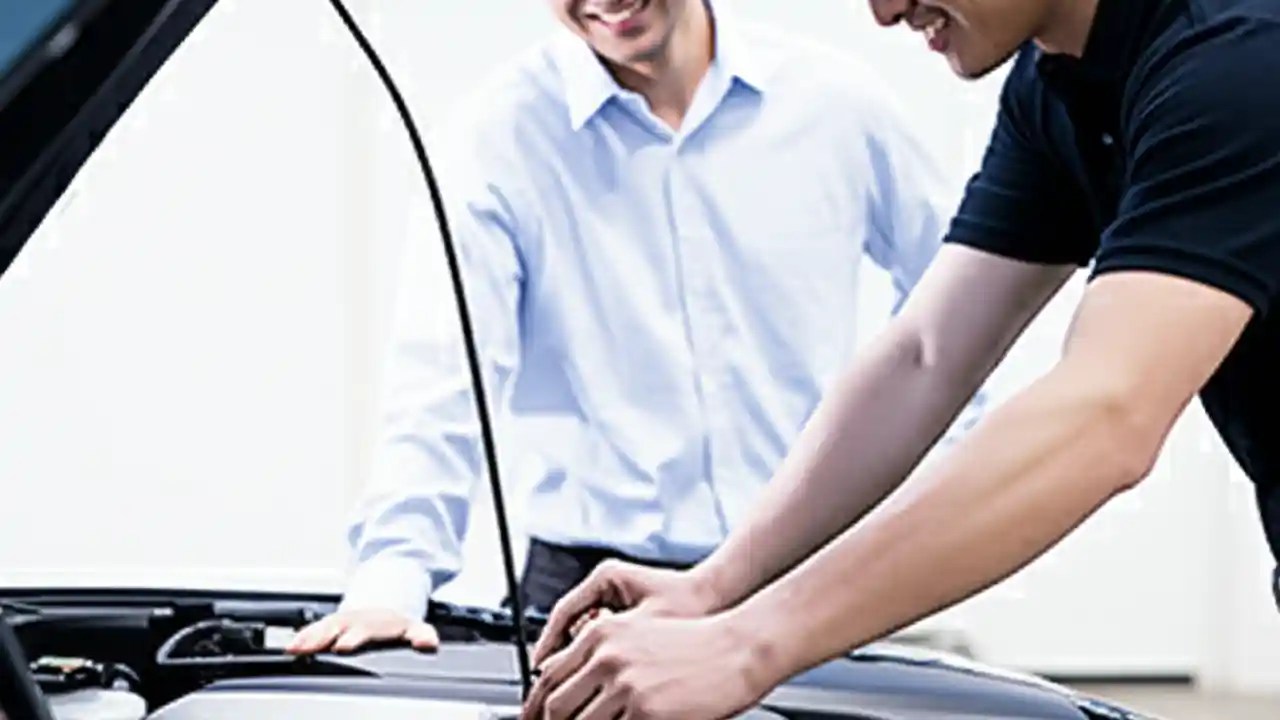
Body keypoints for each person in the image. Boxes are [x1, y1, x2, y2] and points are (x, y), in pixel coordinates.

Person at [520, 0, 1280, 717]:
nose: (883, 10)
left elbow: (1105, 415)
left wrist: (751, 646)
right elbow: (926, 355)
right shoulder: (1055, 84)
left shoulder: (1240, 61)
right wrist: (717, 587)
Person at [286, 0, 979, 656]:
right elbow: (445, 378)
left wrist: (918, 512)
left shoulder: (837, 105)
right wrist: (391, 582)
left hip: (807, 583)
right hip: (590, 601)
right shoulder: (497, 135)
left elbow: (963, 314)